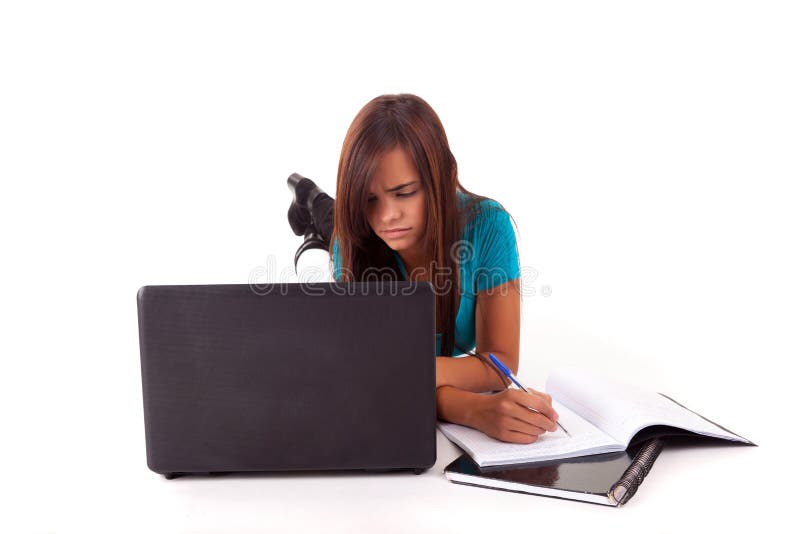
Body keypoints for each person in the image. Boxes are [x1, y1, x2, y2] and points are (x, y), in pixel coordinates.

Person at [287, 94, 559, 444]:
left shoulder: (489, 226)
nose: (386, 216)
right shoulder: (352, 242)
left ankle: (312, 196)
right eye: (369, 199)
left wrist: (405, 369)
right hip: (359, 241)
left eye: (404, 193)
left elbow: (499, 362)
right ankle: (311, 198)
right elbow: (369, 377)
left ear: (444, 177)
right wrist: (473, 409)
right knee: (333, 222)